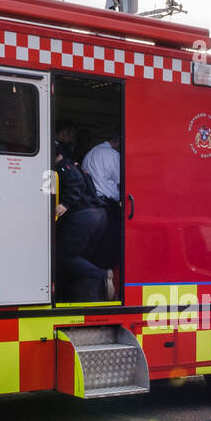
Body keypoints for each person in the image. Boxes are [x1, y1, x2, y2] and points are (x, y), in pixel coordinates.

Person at [53, 121, 107, 301]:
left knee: (64, 256)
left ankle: (101, 276)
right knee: (79, 258)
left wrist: (64, 204)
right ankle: (86, 296)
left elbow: (76, 183)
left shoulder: (63, 166)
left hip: (84, 216)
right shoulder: (74, 165)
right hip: (97, 215)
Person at [81, 135, 122, 298]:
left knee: (94, 250)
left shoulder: (90, 153)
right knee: (109, 250)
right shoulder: (112, 155)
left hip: (90, 205)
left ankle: (93, 289)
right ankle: (105, 283)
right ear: (118, 142)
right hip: (108, 207)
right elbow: (121, 181)